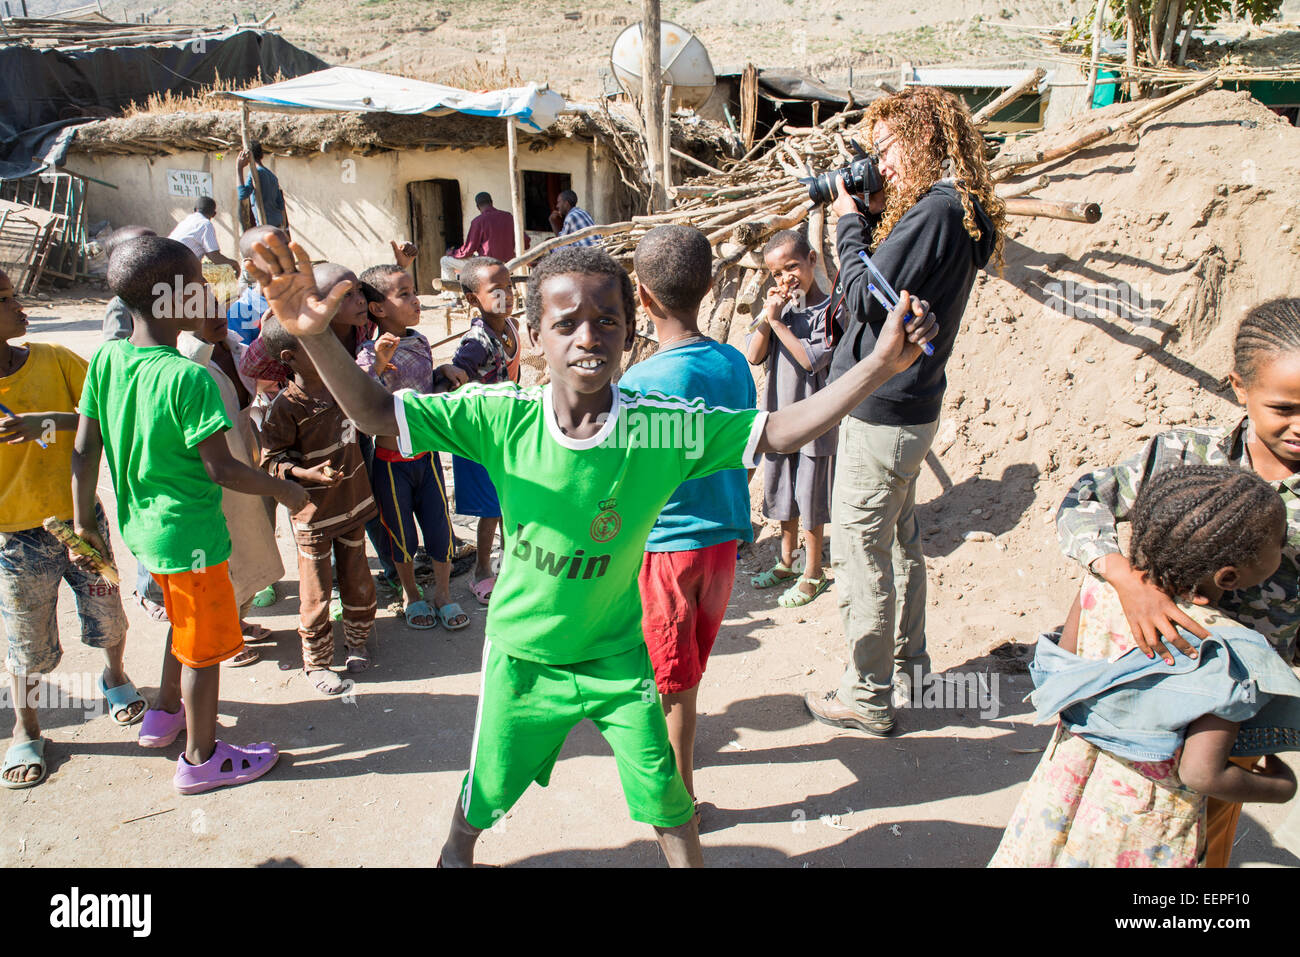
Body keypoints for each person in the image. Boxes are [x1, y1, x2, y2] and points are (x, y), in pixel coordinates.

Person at [245, 232, 937, 867]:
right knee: (485, 791)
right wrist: (315, 337)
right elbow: (376, 413)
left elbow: (779, 430)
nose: (588, 336)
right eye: (566, 321)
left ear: (631, 331)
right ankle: (456, 851)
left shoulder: (661, 430)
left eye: (607, 321)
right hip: (523, 656)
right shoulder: (501, 418)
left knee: (668, 798)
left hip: (616, 657)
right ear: (534, 335)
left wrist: (879, 363)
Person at [1056, 296, 1300, 866]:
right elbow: (1083, 499)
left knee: (1198, 840)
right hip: (1143, 685)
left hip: (1235, 710)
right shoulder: (1185, 453)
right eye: (1284, 407)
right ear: (1239, 388)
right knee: (1095, 819)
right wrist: (1128, 581)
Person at [72, 236, 307, 792]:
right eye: (199, 284)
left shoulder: (107, 357)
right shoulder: (187, 378)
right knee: (203, 651)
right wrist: (284, 491)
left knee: (183, 624)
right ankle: (202, 758)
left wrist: (83, 521)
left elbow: (84, 448)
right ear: (171, 296)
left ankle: (163, 712)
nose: (208, 292)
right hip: (191, 537)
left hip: (144, 532)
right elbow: (222, 470)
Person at [806, 85, 1006, 737]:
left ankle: (867, 694)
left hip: (884, 409)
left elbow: (867, 297)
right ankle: (909, 668)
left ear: (922, 140)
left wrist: (846, 219)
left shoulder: (936, 211)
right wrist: (871, 216)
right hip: (910, 405)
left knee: (860, 548)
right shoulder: (957, 206)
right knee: (897, 540)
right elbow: (892, 287)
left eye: (887, 148)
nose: (880, 163)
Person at [992, 466, 1300, 867]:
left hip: (1061, 790)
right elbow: (1201, 773)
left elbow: (1061, 676)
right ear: (1228, 577)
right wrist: (1279, 788)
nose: (1285, 547)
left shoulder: (1099, 590)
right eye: (1281, 542)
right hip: (1142, 826)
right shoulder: (1230, 651)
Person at [619, 225, 757, 807]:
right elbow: (743, 450)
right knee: (686, 671)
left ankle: (680, 804)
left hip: (665, 550)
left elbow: (627, 480)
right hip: (721, 543)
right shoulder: (734, 364)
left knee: (672, 682)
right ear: (708, 286)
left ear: (642, 296)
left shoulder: (639, 382)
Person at [0, 269, 140, 788]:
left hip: (81, 521)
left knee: (108, 614)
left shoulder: (54, 359)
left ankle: (115, 676)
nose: (20, 306)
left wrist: (49, 422)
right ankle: (27, 727)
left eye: (15, 294)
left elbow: (107, 414)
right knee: (26, 641)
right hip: (15, 538)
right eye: (5, 300)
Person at [258, 313, 379, 692]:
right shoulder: (286, 407)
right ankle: (317, 661)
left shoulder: (341, 385)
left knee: (358, 578)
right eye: (316, 344)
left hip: (352, 503)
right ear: (290, 357)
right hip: (313, 515)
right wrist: (305, 474)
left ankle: (357, 640)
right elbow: (270, 461)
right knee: (316, 591)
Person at [356, 263, 469, 631]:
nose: (416, 300)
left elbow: (422, 387)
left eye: (414, 291)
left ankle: (443, 595)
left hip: (427, 454)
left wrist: (443, 372)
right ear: (378, 308)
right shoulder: (368, 352)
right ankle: (410, 595)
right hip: (391, 461)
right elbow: (361, 399)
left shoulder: (419, 342)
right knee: (401, 535)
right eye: (404, 294)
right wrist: (378, 364)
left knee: (439, 528)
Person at [179, 302, 282, 666]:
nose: (217, 316)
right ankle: (223, 637)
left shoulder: (233, 346)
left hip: (244, 451)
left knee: (250, 540)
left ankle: (237, 621)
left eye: (219, 307)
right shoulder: (186, 360)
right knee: (224, 551)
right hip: (215, 465)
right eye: (205, 311)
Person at [746, 229, 835, 607]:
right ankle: (788, 561)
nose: (786, 279)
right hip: (780, 420)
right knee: (784, 493)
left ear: (812, 259)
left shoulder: (831, 310)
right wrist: (769, 319)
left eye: (793, 267)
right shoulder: (779, 311)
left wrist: (779, 324)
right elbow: (753, 355)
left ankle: (813, 573)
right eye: (777, 273)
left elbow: (810, 360)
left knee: (810, 498)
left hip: (815, 421)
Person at [98, 225, 171, 622]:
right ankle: (150, 591)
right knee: (149, 507)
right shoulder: (121, 306)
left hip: (163, 411)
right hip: (141, 417)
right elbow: (122, 361)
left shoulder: (168, 298)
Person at [449, 257, 521, 604]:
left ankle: (510, 563)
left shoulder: (510, 328)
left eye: (510, 286)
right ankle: (481, 570)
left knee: (510, 502)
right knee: (490, 508)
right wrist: (449, 376)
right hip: (482, 436)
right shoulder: (477, 341)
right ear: (472, 299)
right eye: (496, 290)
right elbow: (458, 372)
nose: (507, 294)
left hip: (507, 431)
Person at [439, 192, 525, 280]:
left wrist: (453, 253)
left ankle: (451, 289)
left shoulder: (478, 221)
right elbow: (525, 242)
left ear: (477, 207)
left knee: (445, 260)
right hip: (508, 264)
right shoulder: (509, 217)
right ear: (491, 202)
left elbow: (468, 250)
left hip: (486, 265)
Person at [167, 197, 239, 272]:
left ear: (195, 209)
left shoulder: (186, 221)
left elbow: (209, 253)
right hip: (178, 268)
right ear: (214, 214)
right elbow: (215, 258)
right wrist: (234, 264)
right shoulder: (205, 224)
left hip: (166, 261)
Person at [236, 141, 288, 230]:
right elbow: (281, 204)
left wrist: (239, 168)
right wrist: (283, 226)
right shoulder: (272, 176)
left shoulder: (255, 174)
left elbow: (242, 194)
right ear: (261, 155)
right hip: (278, 224)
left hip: (265, 224)